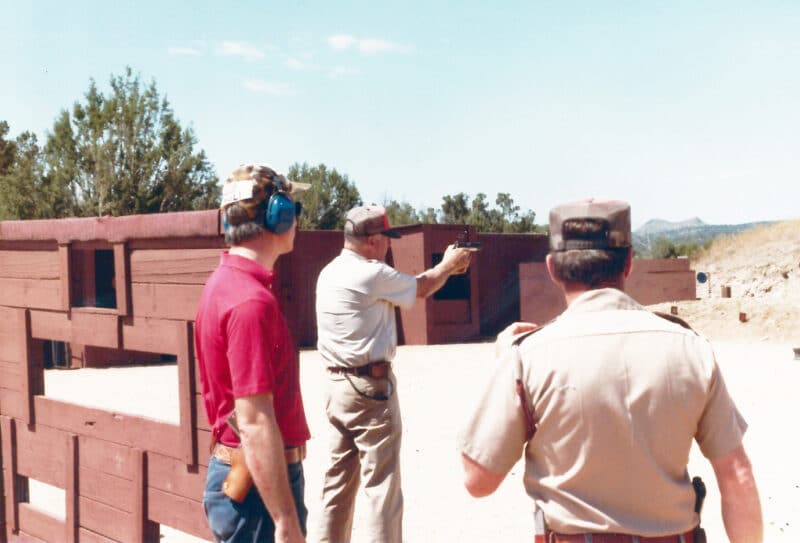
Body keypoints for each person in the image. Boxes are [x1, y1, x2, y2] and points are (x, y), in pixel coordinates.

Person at [460, 198, 763, 543]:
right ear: (629, 262)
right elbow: (737, 476)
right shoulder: (690, 347)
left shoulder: (528, 357)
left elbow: (478, 480)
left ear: (552, 268)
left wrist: (502, 367)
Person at [315, 205, 475, 543]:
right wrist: (447, 265)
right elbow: (422, 286)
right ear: (371, 241)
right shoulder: (369, 272)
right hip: (368, 388)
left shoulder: (330, 271)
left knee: (337, 485)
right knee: (382, 489)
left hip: (336, 386)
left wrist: (445, 269)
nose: (388, 245)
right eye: (385, 239)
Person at [195, 164, 311, 543]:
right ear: (279, 216)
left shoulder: (224, 285)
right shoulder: (250, 302)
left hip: (251, 484)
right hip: (261, 495)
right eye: (293, 209)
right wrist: (285, 519)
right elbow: (255, 422)